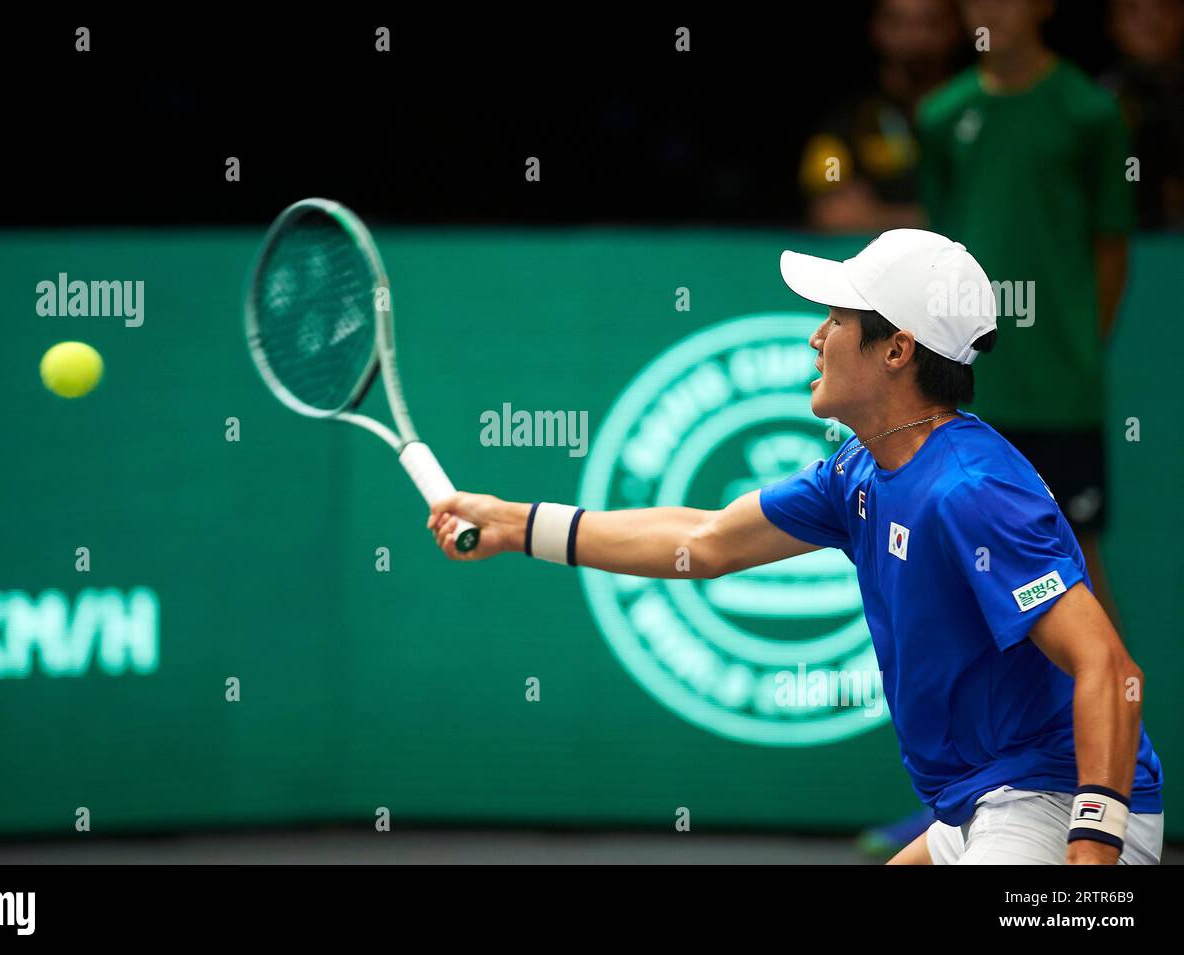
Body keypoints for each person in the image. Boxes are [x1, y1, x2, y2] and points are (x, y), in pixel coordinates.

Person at [426, 230, 1163, 864]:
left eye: (836, 320)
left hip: (1056, 797)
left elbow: (1109, 667)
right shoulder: (859, 470)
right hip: (983, 800)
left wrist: (1092, 847)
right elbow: (703, 541)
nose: (817, 337)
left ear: (897, 349)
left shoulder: (971, 490)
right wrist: (515, 524)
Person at [918, 0, 1134, 630]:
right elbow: (939, 242)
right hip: (963, 387)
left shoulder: (1090, 113)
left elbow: (1111, 247)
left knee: (1073, 563)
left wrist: (1076, 350)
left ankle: (1115, 696)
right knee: (954, 563)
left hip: (1059, 396)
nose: (990, 9)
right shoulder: (941, 116)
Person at [799, 0, 961, 233]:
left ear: (955, 29)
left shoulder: (979, 117)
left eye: (929, 23)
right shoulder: (844, 124)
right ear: (877, 29)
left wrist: (877, 215)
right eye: (898, 23)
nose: (914, 37)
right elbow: (833, 212)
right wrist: (940, 216)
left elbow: (994, 208)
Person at [1101, 0, 1184, 230]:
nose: (1152, 22)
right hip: (1124, 234)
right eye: (1133, 10)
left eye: (1165, 7)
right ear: (1113, 22)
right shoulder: (1096, 102)